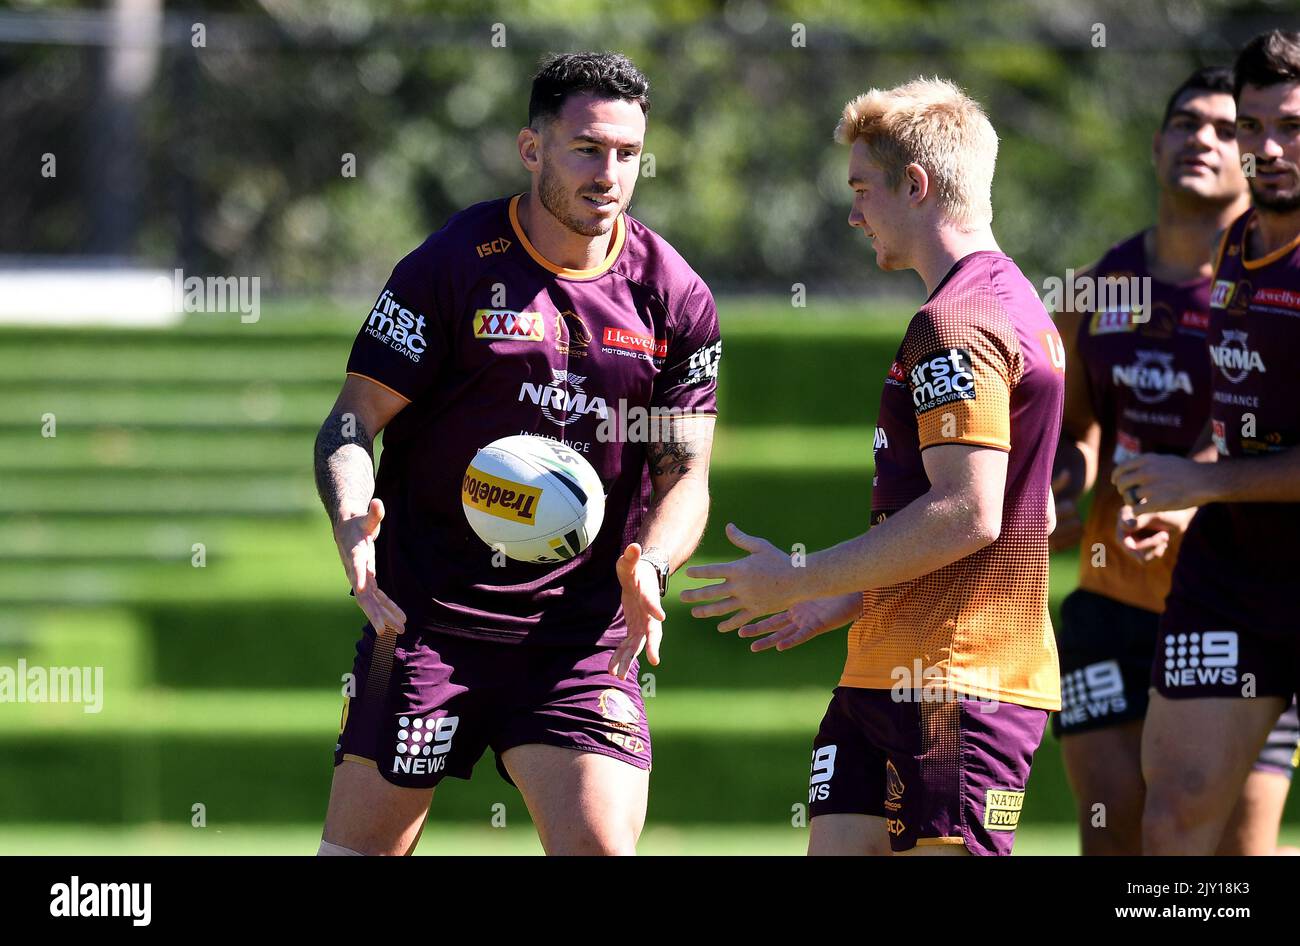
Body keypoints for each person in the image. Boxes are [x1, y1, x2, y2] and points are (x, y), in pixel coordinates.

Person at [312, 52, 720, 856]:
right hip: (427, 622)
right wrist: (352, 514)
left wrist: (654, 566)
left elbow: (685, 478)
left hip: (579, 639)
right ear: (532, 150)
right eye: (587, 149)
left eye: (628, 155)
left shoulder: (673, 296)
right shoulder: (451, 266)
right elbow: (353, 420)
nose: (609, 174)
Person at [682, 78, 1064, 855]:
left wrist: (800, 577)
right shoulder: (1011, 303)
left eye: (862, 190)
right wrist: (844, 599)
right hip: (884, 672)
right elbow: (1038, 510)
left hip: (957, 683)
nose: (853, 213)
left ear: (915, 187)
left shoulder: (956, 322)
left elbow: (972, 512)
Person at [1050, 65, 1298, 855]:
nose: (1206, 140)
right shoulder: (1098, 289)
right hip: (1113, 601)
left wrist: (1194, 498)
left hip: (1242, 605)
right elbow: (1079, 430)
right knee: (1121, 836)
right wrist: (1066, 490)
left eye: (1231, 129)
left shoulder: (1271, 293)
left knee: (1233, 851)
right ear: (1156, 145)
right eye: (1188, 123)